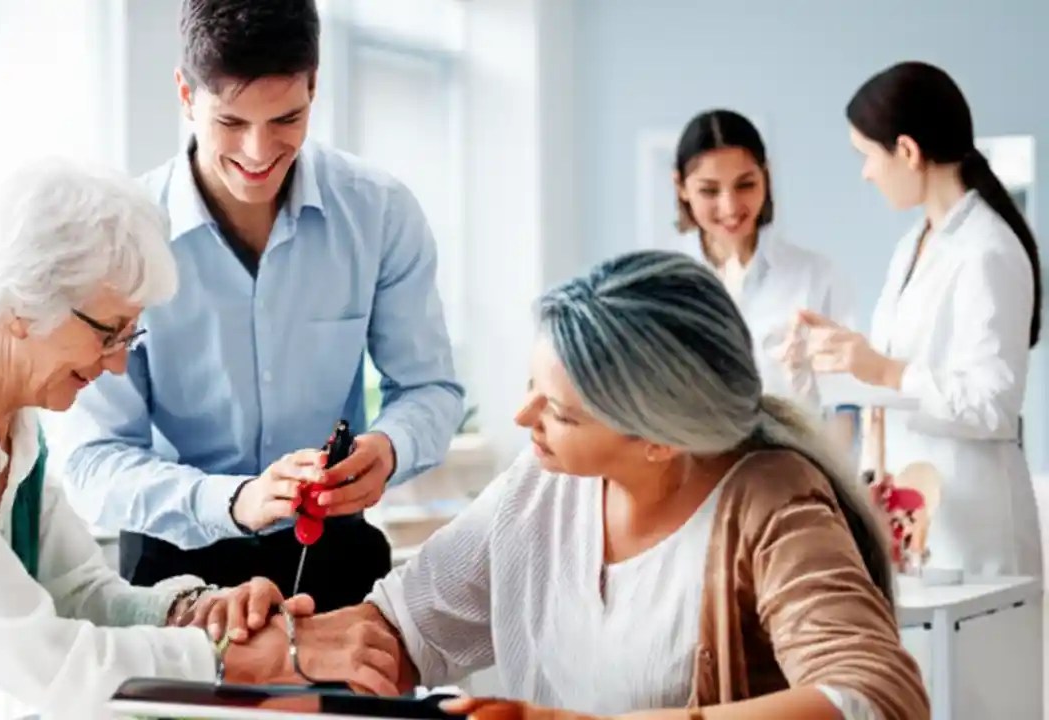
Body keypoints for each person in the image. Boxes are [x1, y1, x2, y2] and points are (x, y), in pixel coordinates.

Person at [0, 159, 400, 720]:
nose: (119, 365)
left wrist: (199, 615)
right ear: (20, 305)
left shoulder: (12, 423)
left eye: (131, 335)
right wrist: (256, 659)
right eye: (109, 332)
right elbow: (43, 659)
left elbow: (80, 596)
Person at [195, 251, 930, 719]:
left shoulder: (771, 501)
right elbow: (398, 631)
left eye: (561, 411)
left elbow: (874, 698)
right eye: (529, 387)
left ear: (657, 438)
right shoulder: (542, 484)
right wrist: (266, 630)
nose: (522, 417)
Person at [61, 0, 464, 612]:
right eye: (230, 121)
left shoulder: (379, 212)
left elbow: (430, 387)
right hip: (175, 566)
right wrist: (234, 501)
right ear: (184, 93)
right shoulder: (122, 237)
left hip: (336, 557)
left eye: (287, 118)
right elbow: (93, 459)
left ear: (314, 86)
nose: (258, 152)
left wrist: (392, 448)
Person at [798, 60, 1043, 578]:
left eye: (866, 156)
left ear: (906, 151)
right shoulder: (915, 244)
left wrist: (882, 369)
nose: (865, 172)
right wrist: (844, 353)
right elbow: (906, 368)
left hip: (975, 532)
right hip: (919, 523)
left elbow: (991, 405)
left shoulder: (986, 250)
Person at [671, 109, 855, 411]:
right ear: (681, 187)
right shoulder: (661, 283)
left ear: (765, 177)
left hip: (794, 453)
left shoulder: (816, 276)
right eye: (709, 190)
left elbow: (845, 403)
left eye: (745, 185)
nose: (730, 207)